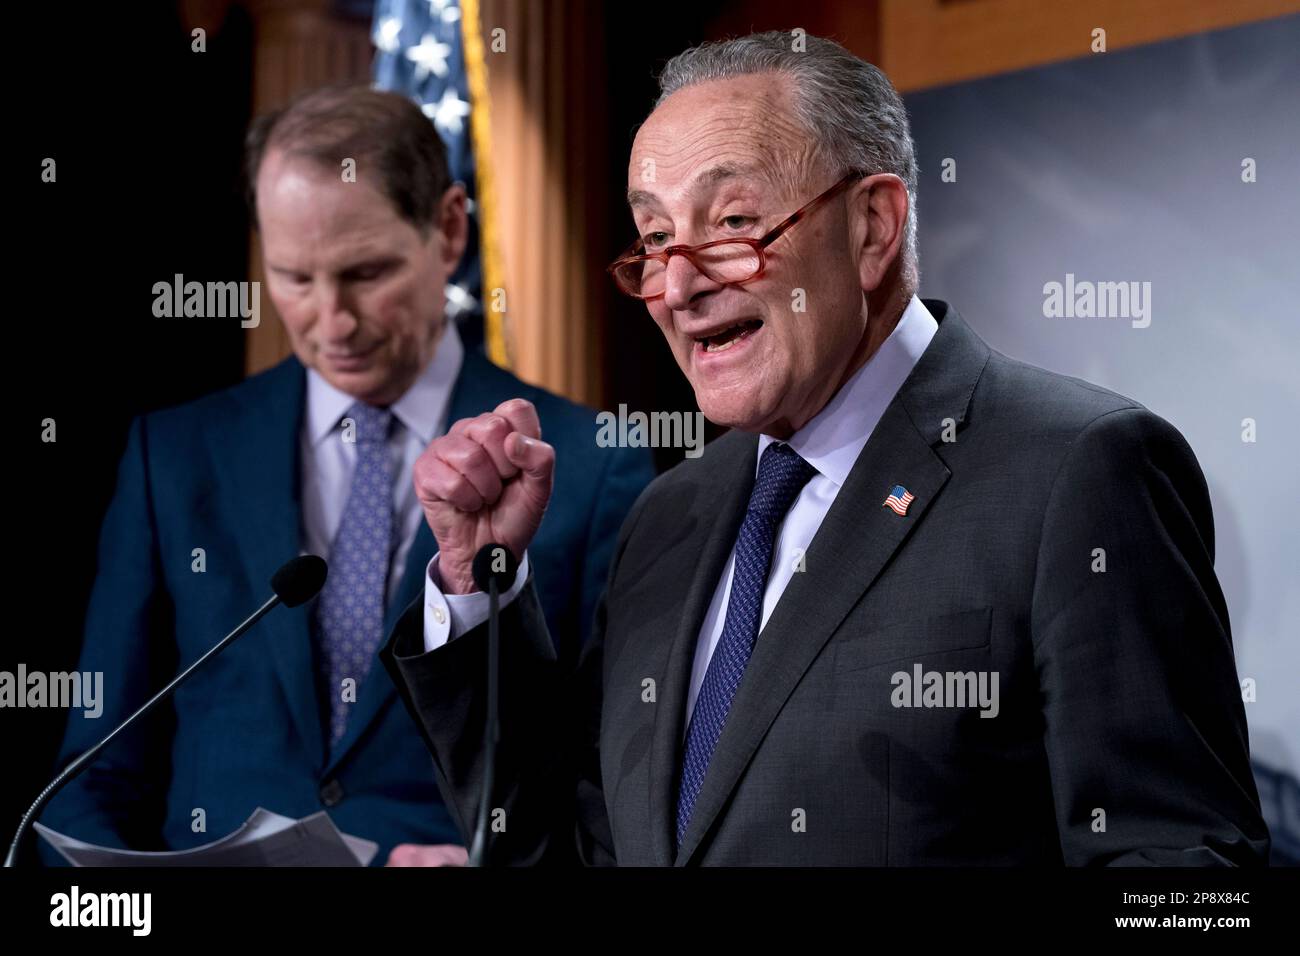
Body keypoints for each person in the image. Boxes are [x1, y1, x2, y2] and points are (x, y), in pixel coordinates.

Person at [382, 33, 1269, 865]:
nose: (679, 285)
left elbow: (1185, 882)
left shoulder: (1080, 471)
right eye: (654, 239)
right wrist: (474, 580)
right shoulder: (669, 514)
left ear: (873, 227)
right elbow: (564, 851)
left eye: (731, 222)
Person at [40, 86, 653, 867]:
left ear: (448, 229)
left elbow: (617, 791)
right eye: (295, 278)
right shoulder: (175, 454)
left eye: (365, 274)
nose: (331, 322)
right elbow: (92, 776)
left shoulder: (593, 463)